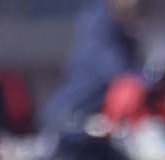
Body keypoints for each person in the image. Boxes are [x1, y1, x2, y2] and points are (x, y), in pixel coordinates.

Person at [41, 0, 144, 132]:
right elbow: (117, 71)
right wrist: (152, 79)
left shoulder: (124, 30)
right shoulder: (99, 27)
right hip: (69, 115)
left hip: (92, 117)